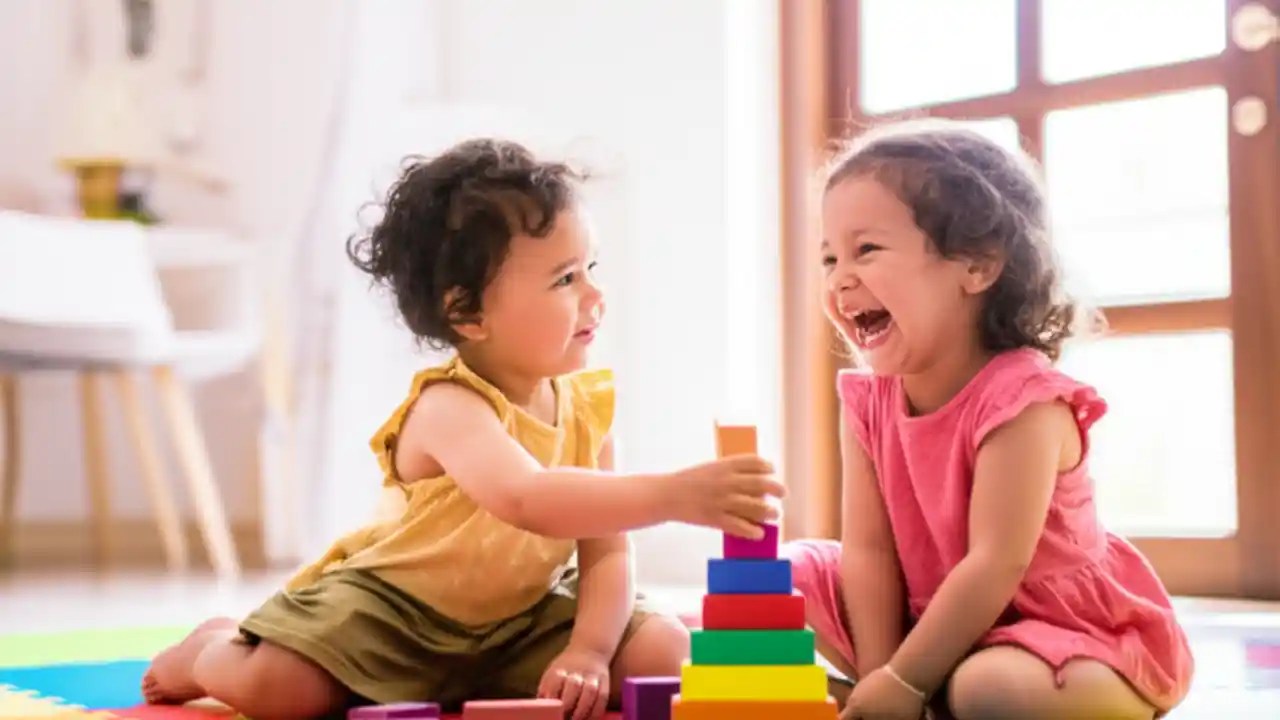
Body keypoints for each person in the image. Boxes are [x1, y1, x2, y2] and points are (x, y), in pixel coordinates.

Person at [141, 138, 784, 720]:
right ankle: (209, 649)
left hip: (524, 617)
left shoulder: (587, 408)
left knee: (667, 652)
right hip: (396, 615)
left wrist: (589, 650)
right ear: (468, 312)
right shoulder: (451, 406)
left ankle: (495, 675)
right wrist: (674, 495)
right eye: (565, 279)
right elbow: (526, 499)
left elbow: (606, 550)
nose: (594, 295)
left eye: (591, 268)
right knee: (278, 692)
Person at [783, 119, 1194, 720]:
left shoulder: (1025, 401)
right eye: (828, 257)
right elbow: (868, 551)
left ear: (975, 267)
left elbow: (997, 562)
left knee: (988, 691)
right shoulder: (866, 400)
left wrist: (906, 678)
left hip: (1053, 625)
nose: (840, 277)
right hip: (931, 616)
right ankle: (919, 689)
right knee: (776, 577)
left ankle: (1099, 697)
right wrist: (884, 675)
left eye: (866, 249)